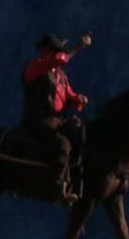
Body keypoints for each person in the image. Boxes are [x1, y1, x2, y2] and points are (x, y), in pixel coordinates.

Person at [21, 32, 92, 202]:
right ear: (46, 51)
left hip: (59, 119)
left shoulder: (61, 76)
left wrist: (77, 99)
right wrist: (77, 48)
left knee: (81, 135)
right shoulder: (34, 68)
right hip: (39, 119)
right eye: (55, 49)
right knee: (62, 144)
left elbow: (69, 94)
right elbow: (60, 59)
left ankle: (77, 181)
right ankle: (58, 186)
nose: (59, 52)